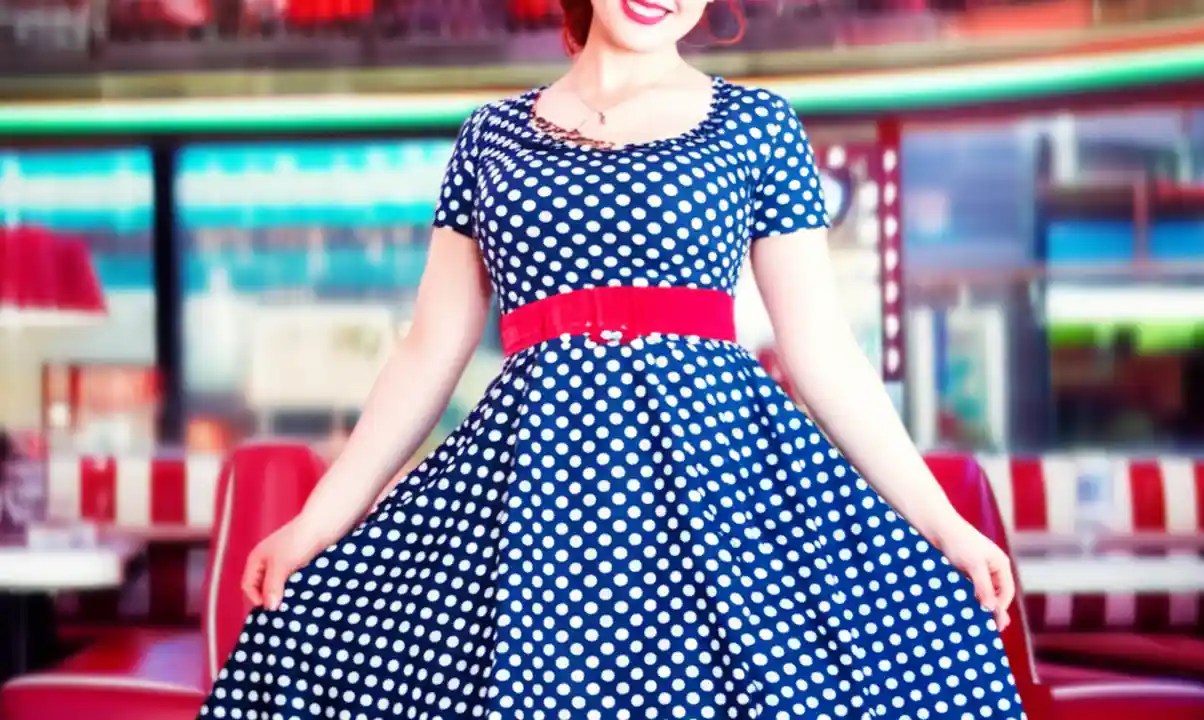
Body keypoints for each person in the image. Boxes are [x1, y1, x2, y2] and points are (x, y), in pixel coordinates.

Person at [198, 0, 1026, 717]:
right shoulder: (490, 135)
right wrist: (314, 526)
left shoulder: (759, 123)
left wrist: (944, 527)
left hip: (716, 492)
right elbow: (427, 351)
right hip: (530, 496)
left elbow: (823, 351)